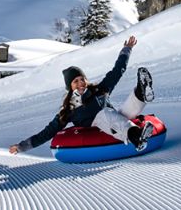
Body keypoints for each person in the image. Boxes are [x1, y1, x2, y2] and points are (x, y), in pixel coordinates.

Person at [9, 35, 155, 155]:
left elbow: (117, 71)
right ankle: (137, 137)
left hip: (115, 121)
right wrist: (22, 146)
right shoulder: (68, 109)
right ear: (70, 87)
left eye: (82, 79)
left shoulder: (99, 90)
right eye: (75, 81)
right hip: (97, 127)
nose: (80, 83)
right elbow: (47, 133)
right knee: (105, 114)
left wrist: (126, 49)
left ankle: (141, 92)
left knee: (125, 111)